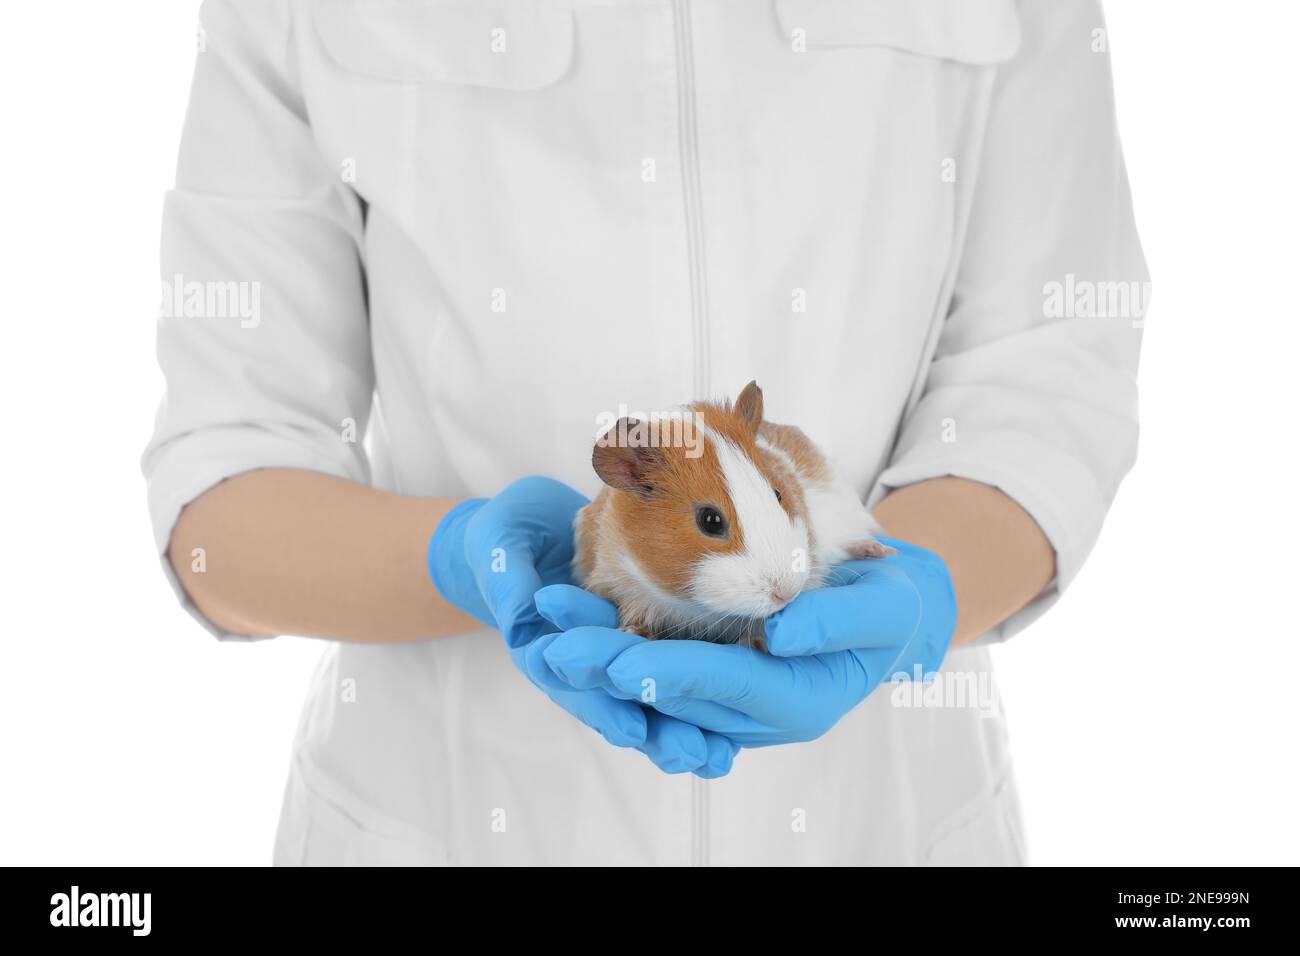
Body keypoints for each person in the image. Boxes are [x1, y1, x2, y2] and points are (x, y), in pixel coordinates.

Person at [144, 0, 1145, 865]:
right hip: (443, 817)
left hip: (885, 819)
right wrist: (458, 558)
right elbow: (225, 479)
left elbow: (1048, 370)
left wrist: (919, 590)